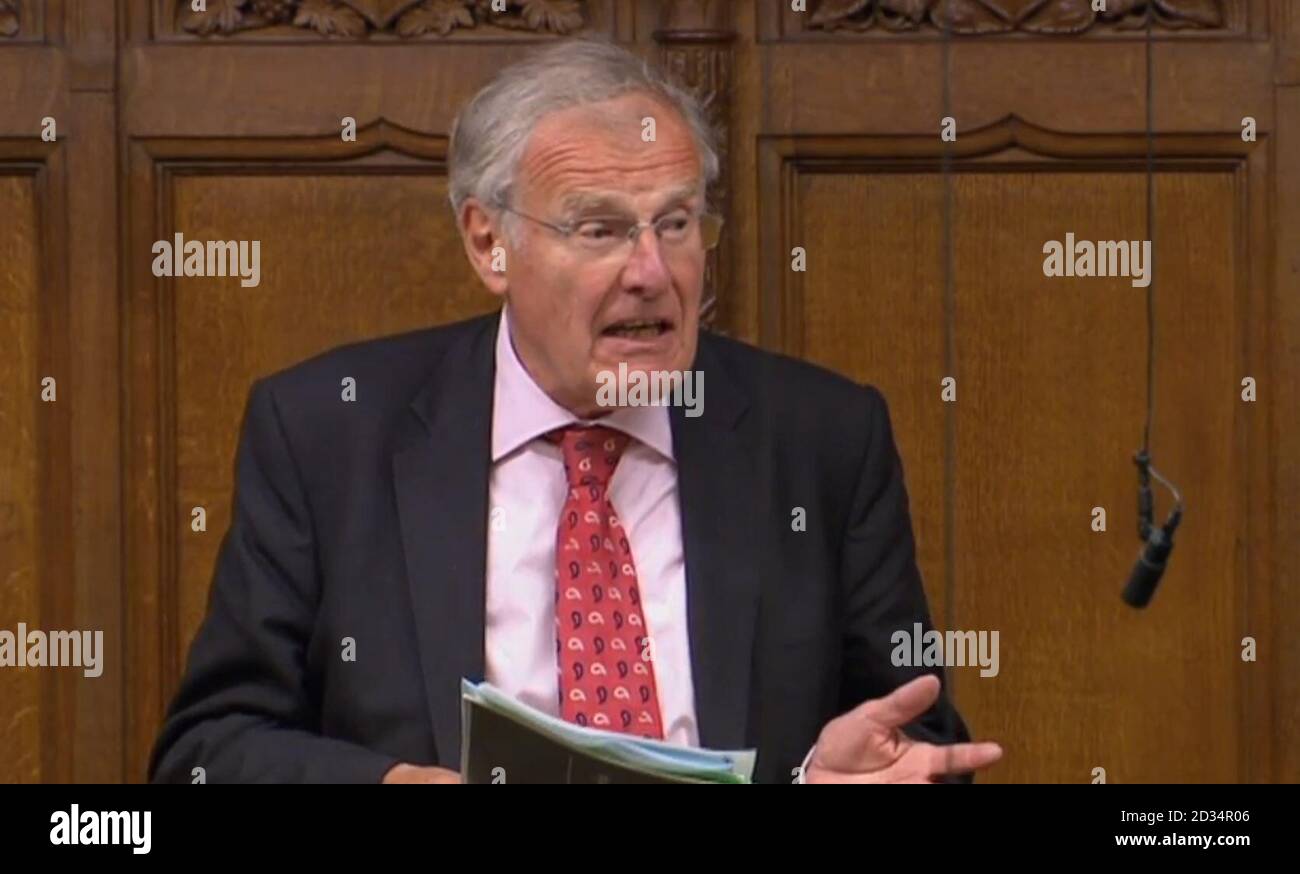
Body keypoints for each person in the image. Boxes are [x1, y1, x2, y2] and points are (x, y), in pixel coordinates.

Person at [149, 38, 1002, 784]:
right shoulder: (326, 434)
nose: (652, 272)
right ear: (490, 243)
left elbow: (917, 738)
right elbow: (208, 753)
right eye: (599, 230)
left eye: (676, 223)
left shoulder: (822, 438)